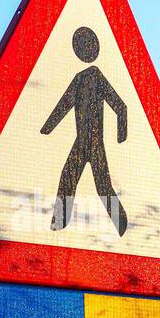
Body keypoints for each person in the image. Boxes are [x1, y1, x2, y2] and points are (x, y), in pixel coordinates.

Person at [40, 26, 128, 236]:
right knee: (67, 178)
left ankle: (123, 226)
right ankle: (58, 226)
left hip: (95, 143)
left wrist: (121, 136)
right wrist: (46, 129)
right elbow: (64, 105)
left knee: (103, 187)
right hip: (82, 142)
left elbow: (120, 106)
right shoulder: (79, 79)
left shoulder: (96, 76)